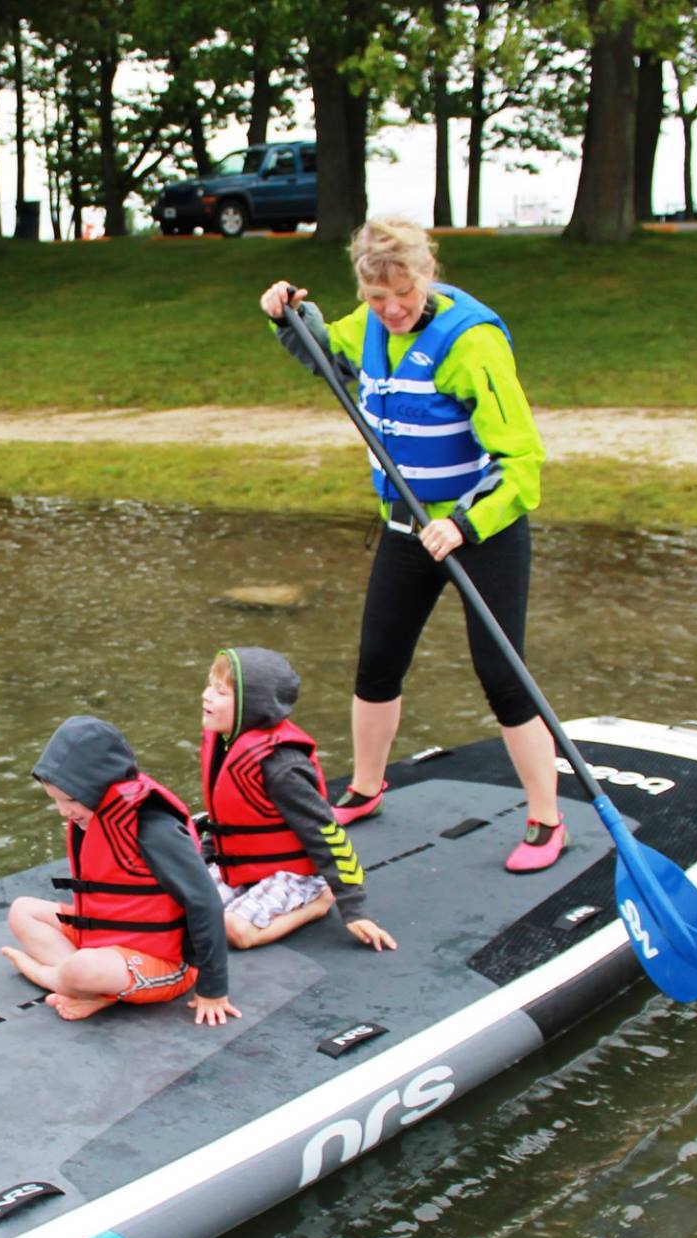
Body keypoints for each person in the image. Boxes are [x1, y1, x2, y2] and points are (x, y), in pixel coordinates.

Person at [260, 216, 565, 874]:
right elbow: (324, 350)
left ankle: (545, 815)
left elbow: (521, 464)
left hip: (480, 530)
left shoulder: (471, 344)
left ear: (427, 276)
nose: (392, 310)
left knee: (501, 675)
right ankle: (367, 787)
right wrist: (286, 313)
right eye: (377, 297)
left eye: (404, 293)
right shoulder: (367, 323)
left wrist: (462, 522)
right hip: (405, 527)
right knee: (377, 662)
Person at [3, 716, 238, 1025]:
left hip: (164, 962)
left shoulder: (154, 828)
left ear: (100, 785)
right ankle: (86, 989)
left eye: (71, 799)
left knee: (83, 968)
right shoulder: (96, 815)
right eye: (57, 801)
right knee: (22, 911)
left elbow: (205, 902)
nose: (64, 812)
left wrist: (213, 990)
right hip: (104, 941)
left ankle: (57, 978)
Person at [198, 648, 396, 951]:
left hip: (294, 874)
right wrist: (199, 862)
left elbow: (326, 833)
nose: (206, 695)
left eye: (220, 691)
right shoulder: (227, 745)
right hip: (241, 867)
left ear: (253, 706)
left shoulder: (283, 767)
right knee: (180, 904)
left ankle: (317, 902)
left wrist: (353, 907)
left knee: (232, 929)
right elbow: (225, 821)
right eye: (210, 685)